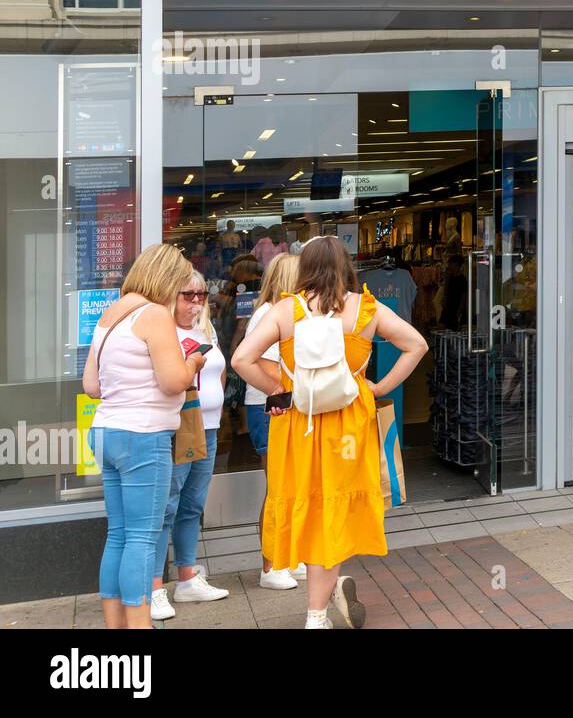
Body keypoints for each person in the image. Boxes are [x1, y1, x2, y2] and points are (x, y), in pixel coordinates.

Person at [232, 236, 428, 629]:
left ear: (305, 268)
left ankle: (323, 598)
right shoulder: (366, 309)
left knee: (307, 505)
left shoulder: (287, 310)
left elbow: (241, 358)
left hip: (298, 424)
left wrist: (278, 387)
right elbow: (416, 345)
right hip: (347, 423)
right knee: (335, 508)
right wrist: (378, 387)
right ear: (346, 267)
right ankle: (317, 612)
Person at [83, 244, 209, 629]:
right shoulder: (153, 314)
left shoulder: (111, 313)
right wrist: (193, 362)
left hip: (106, 431)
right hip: (143, 437)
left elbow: (91, 385)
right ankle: (139, 628)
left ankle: (115, 624)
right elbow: (173, 382)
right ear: (166, 280)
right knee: (142, 536)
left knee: (119, 534)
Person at [149, 267, 230, 620]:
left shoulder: (205, 329)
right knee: (167, 505)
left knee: (192, 505)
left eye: (201, 295)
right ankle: (153, 588)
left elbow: (220, 371)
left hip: (207, 426)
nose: (196, 301)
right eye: (187, 295)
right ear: (171, 297)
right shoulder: (164, 331)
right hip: (179, 425)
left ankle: (186, 577)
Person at [242, 253, 307, 590]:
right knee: (278, 488)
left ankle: (286, 558)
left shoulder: (274, 313)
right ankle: (270, 565)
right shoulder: (270, 314)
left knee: (287, 486)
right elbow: (264, 366)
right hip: (271, 407)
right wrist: (290, 389)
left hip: (277, 406)